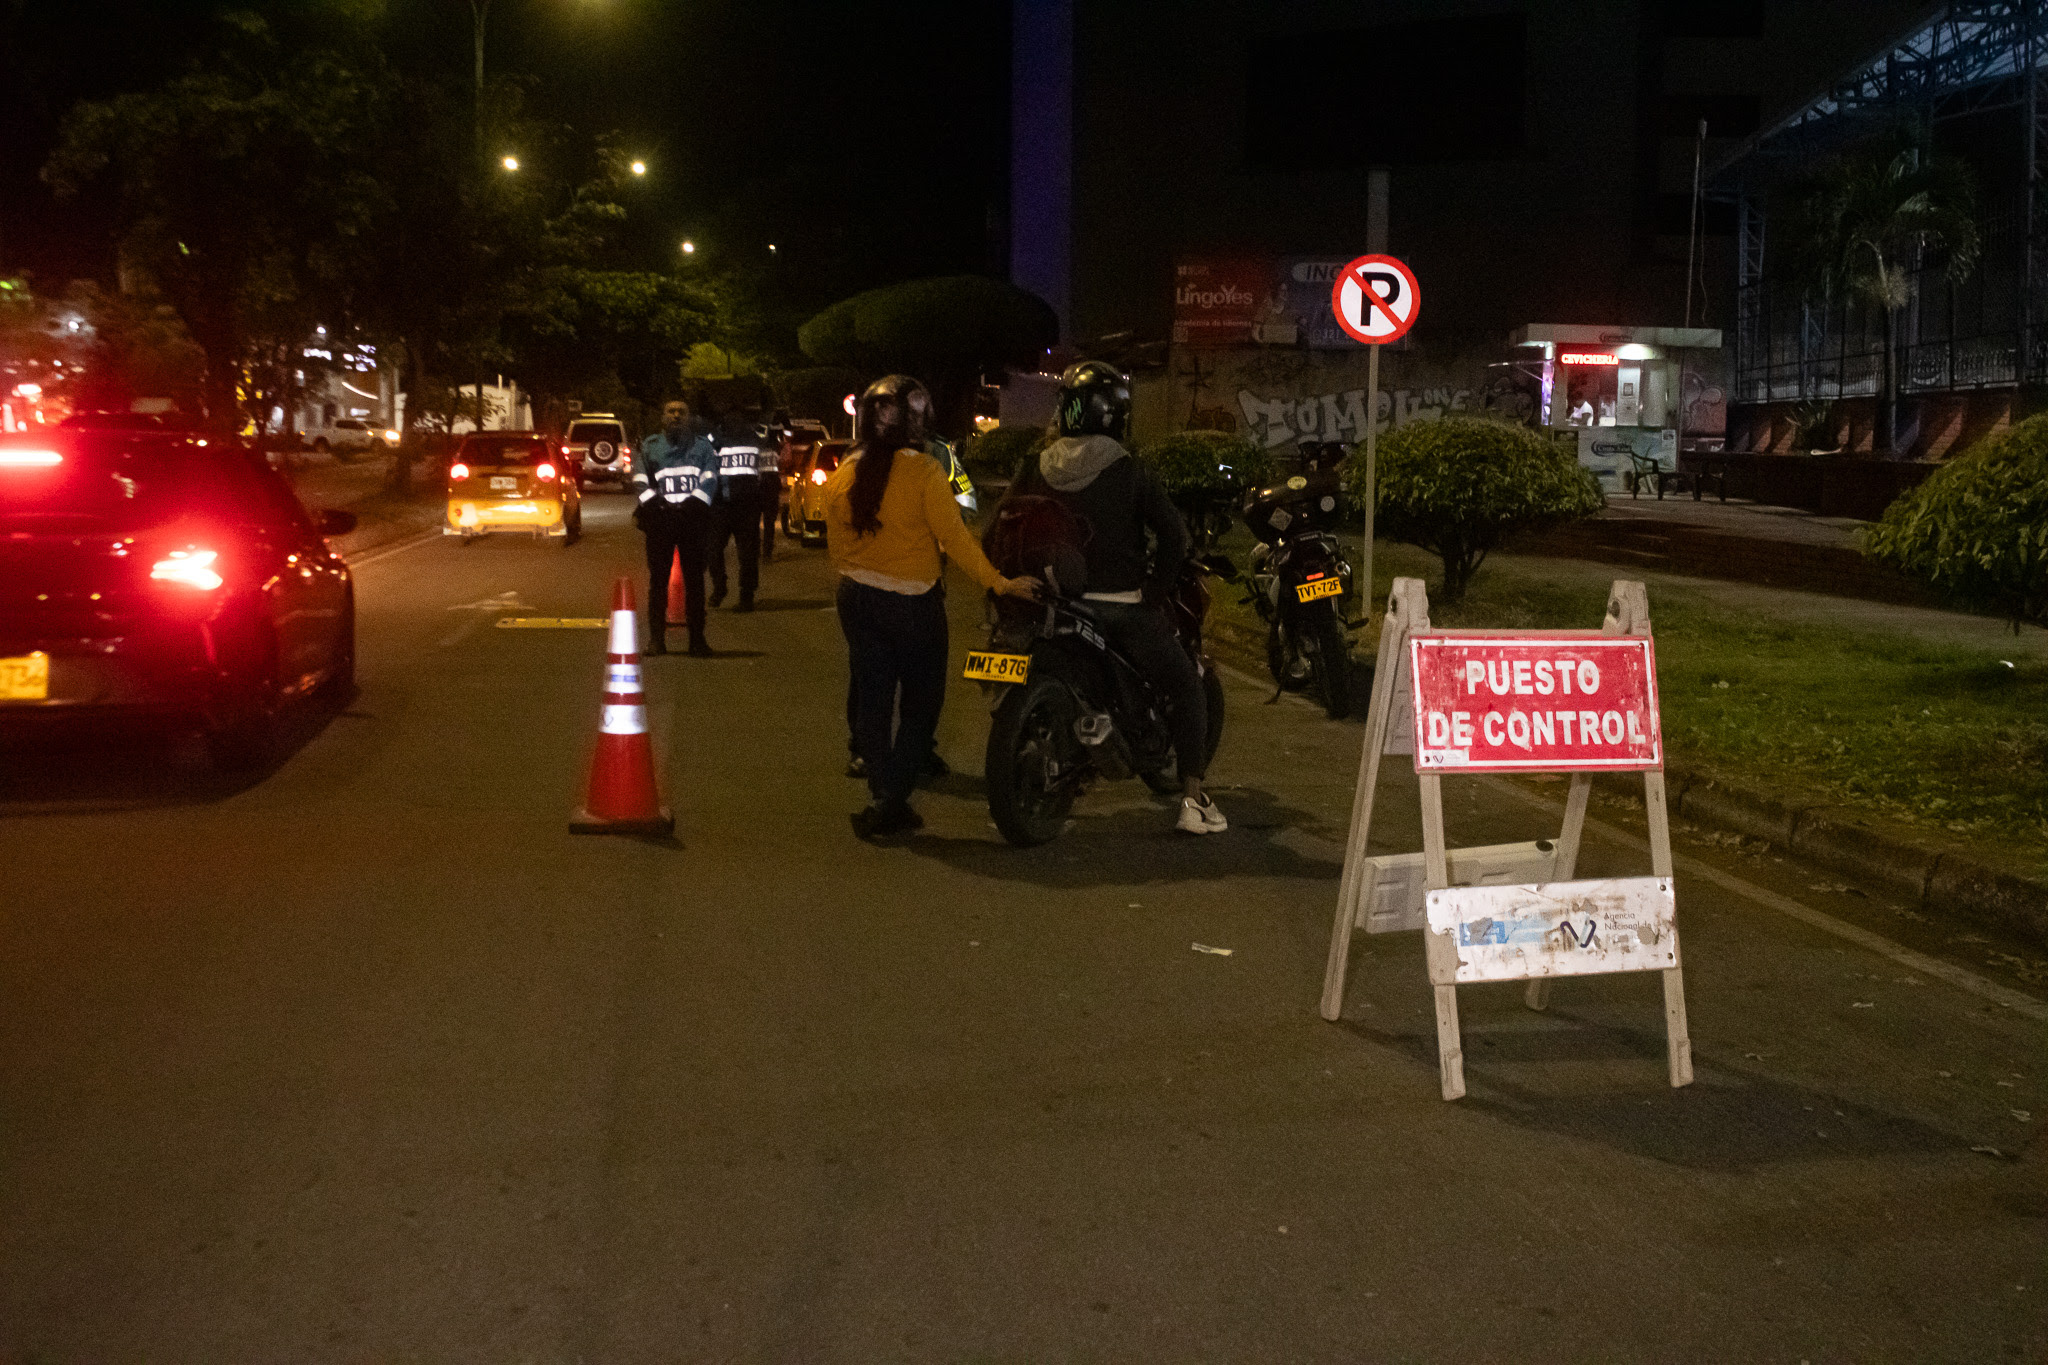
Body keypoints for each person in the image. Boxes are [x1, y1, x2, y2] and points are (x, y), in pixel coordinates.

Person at [825, 374, 1039, 840]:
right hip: (913, 606)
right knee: (922, 707)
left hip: (856, 599)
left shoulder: (845, 471)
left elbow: (835, 544)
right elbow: (957, 539)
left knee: (874, 700)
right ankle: (892, 799)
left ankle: (883, 794)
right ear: (918, 422)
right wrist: (998, 583)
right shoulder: (925, 472)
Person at [1033, 360, 1226, 834]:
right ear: (1115, 414)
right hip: (1119, 607)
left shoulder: (1038, 466)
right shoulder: (1128, 470)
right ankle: (1193, 797)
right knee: (1185, 682)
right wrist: (1154, 594)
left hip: (1054, 602)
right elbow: (1174, 537)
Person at [631, 397, 718, 656]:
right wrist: (656, 505)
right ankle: (656, 640)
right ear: (663, 417)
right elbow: (639, 479)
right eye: (671, 411)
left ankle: (697, 641)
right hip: (660, 523)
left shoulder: (702, 448)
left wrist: (693, 504)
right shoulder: (650, 447)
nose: (676, 415)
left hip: (692, 522)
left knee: (695, 583)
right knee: (658, 582)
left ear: (689, 417)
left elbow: (710, 478)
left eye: (681, 411)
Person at [706, 398, 768, 612]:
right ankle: (732, 591)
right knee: (725, 552)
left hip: (737, 504)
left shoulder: (749, 434)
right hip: (732, 504)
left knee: (738, 553)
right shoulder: (719, 436)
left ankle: (737, 593)